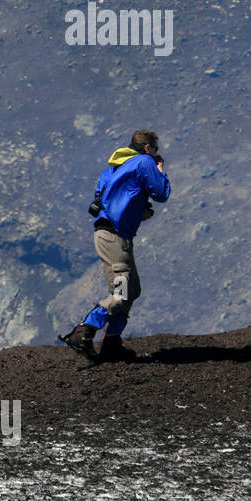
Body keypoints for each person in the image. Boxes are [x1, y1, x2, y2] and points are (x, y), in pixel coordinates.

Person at [61, 130, 171, 363]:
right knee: (122, 293)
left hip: (105, 236)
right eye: (156, 151)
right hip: (116, 238)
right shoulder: (143, 162)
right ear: (149, 148)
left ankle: (112, 343)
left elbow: (114, 203)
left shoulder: (111, 172)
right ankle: (84, 330)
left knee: (130, 290)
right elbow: (161, 194)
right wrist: (159, 171)